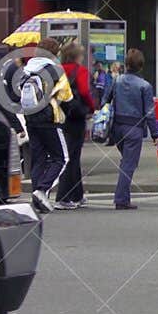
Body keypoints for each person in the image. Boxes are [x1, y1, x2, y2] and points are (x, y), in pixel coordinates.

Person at [12, 38, 68, 214]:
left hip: (31, 118)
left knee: (39, 158)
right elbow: (66, 97)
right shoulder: (54, 70)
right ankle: (42, 190)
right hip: (50, 119)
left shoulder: (25, 70)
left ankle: (37, 199)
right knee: (62, 158)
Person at [105, 48, 158, 210]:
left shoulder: (117, 81)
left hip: (117, 127)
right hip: (134, 128)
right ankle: (121, 199)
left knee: (126, 162)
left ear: (126, 64)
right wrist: (155, 134)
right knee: (129, 164)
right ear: (140, 66)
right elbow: (149, 113)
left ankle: (123, 196)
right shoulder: (145, 86)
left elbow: (106, 99)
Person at [54, 40, 97, 210]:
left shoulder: (58, 71)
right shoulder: (81, 71)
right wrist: (91, 107)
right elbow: (85, 92)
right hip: (76, 116)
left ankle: (77, 194)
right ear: (77, 56)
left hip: (61, 114)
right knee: (71, 156)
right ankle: (63, 197)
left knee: (71, 153)